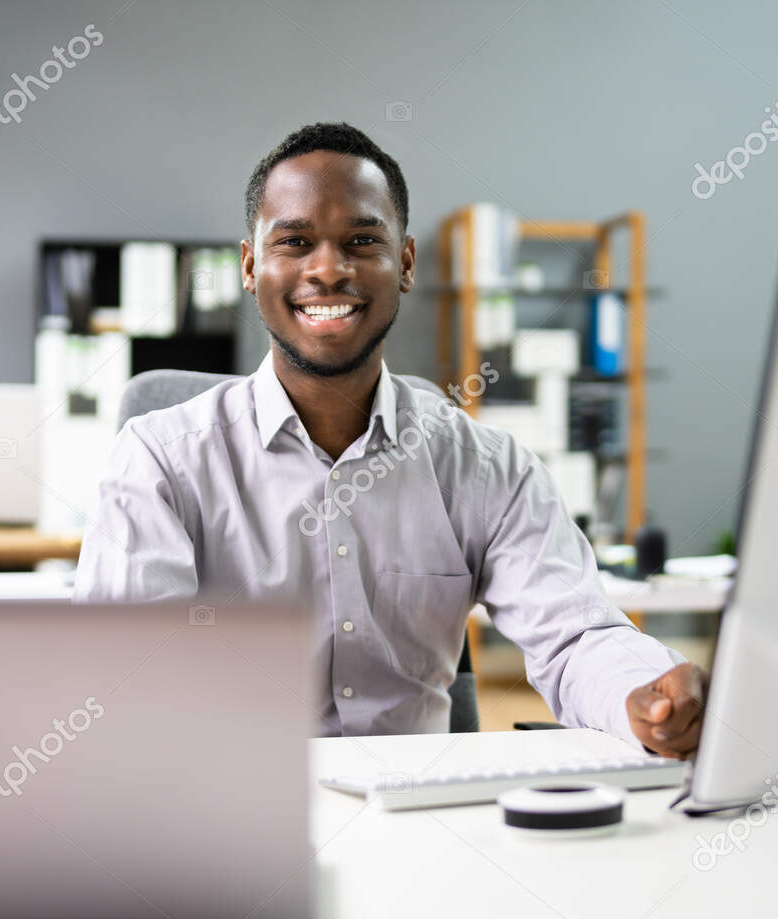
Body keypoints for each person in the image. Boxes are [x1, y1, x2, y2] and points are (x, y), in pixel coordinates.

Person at [75, 122, 705, 757]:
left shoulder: (486, 468)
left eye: (361, 240)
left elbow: (574, 634)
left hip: (424, 819)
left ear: (404, 264)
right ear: (250, 266)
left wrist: (645, 694)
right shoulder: (160, 458)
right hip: (236, 813)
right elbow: (130, 680)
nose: (327, 269)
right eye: (293, 241)